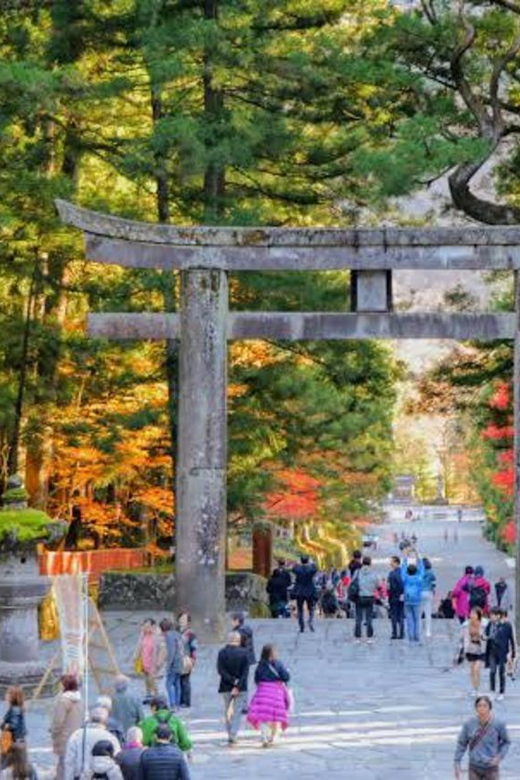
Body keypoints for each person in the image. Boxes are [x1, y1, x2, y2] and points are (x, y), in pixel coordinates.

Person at [454, 695, 510, 780]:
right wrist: (457, 762)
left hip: (491, 766)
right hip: (474, 766)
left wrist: (499, 757)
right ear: (476, 708)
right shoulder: (469, 724)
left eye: (485, 705)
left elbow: (506, 742)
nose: (482, 708)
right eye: (479, 706)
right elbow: (462, 743)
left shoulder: (498, 724)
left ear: (490, 708)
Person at [247, 644, 291, 747]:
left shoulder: (260, 665)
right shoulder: (278, 664)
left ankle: (264, 737)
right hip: (276, 693)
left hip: (262, 692)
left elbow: (256, 680)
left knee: (263, 716)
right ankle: (273, 737)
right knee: (275, 716)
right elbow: (286, 677)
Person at [64, 707, 120, 780]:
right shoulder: (111, 738)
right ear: (106, 721)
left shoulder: (76, 735)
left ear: (90, 719)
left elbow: (69, 762)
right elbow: (117, 762)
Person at [216, 631, 249, 746]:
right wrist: (238, 685)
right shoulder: (245, 653)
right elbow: (245, 673)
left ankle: (230, 733)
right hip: (241, 687)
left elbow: (220, 671)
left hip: (225, 686)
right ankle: (233, 734)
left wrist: (231, 681)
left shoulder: (222, 653)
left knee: (227, 711)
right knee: (237, 711)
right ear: (238, 640)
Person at [50, 674, 82, 780]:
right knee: (72, 763)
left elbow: (58, 722)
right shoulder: (79, 699)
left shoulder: (63, 701)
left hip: (64, 737)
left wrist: (53, 733)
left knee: (62, 764)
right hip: (76, 735)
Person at [486, 609, 516, 701]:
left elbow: (511, 639)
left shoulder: (507, 625)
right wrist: (484, 637)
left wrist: (513, 652)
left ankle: (501, 692)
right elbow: (485, 634)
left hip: (502, 652)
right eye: (490, 615)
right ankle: (492, 691)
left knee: (501, 672)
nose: (491, 617)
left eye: (493, 615)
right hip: (492, 651)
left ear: (498, 616)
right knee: (492, 671)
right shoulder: (490, 624)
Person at [462, 607, 488, 697]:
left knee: (477, 668)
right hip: (471, 648)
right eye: (471, 613)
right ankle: (474, 688)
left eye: (474, 614)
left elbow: (487, 637)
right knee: (472, 670)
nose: (472, 615)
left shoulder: (485, 624)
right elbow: (465, 638)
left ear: (478, 615)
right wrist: (465, 651)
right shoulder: (466, 625)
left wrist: (481, 636)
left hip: (481, 648)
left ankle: (477, 688)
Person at [354, 556, 380, 644]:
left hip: (359, 597)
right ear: (370, 563)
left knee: (358, 617)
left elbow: (352, 583)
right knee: (369, 618)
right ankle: (369, 637)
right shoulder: (373, 573)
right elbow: (377, 585)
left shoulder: (357, 572)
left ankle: (358, 637)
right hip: (370, 597)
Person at [160, 618, 184, 710]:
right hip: (180, 661)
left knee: (169, 683)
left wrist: (168, 665)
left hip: (174, 662)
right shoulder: (177, 634)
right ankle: (177, 704)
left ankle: (173, 704)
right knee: (177, 683)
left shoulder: (169, 636)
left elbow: (171, 652)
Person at [134, 619, 162, 701]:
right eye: (144, 626)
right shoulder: (143, 635)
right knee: (146, 678)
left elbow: (159, 651)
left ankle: (156, 695)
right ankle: (148, 694)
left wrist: (157, 664)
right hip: (144, 660)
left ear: (153, 626)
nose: (145, 628)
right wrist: (135, 656)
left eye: (148, 626)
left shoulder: (156, 637)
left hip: (152, 662)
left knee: (152, 679)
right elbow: (139, 646)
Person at [292, 556, 318, 633]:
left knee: (300, 609)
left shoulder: (298, 569)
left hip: (299, 591)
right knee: (311, 608)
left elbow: (293, 569)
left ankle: (301, 625)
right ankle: (310, 620)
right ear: (308, 561)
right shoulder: (311, 569)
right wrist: (312, 563)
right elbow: (315, 568)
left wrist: (297, 563)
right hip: (309, 591)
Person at [178, 612, 198, 709]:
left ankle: (186, 701)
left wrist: (193, 659)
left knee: (185, 679)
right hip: (178, 658)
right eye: (181, 619)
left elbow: (194, 646)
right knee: (180, 680)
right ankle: (180, 699)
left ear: (188, 622)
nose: (182, 621)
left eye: (184, 619)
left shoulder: (190, 633)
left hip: (187, 658)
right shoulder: (178, 631)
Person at [402, 560, 424, 644]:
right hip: (417, 600)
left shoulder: (405, 578)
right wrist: (419, 558)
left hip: (407, 601)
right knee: (417, 619)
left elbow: (403, 570)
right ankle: (417, 636)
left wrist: (405, 558)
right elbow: (422, 569)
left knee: (409, 619)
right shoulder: (419, 578)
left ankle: (410, 636)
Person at [387, 556, 404, 640]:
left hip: (393, 596)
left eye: (392, 562)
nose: (390, 563)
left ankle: (394, 633)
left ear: (397, 563)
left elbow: (389, 587)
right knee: (400, 615)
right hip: (402, 596)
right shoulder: (403, 572)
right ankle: (401, 633)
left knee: (394, 615)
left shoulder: (392, 574)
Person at [421, 557, 437, 639]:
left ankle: (418, 630)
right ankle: (428, 632)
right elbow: (434, 583)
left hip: (420, 593)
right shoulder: (431, 573)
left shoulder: (419, 572)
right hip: (428, 592)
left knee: (419, 614)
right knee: (428, 613)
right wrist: (433, 590)